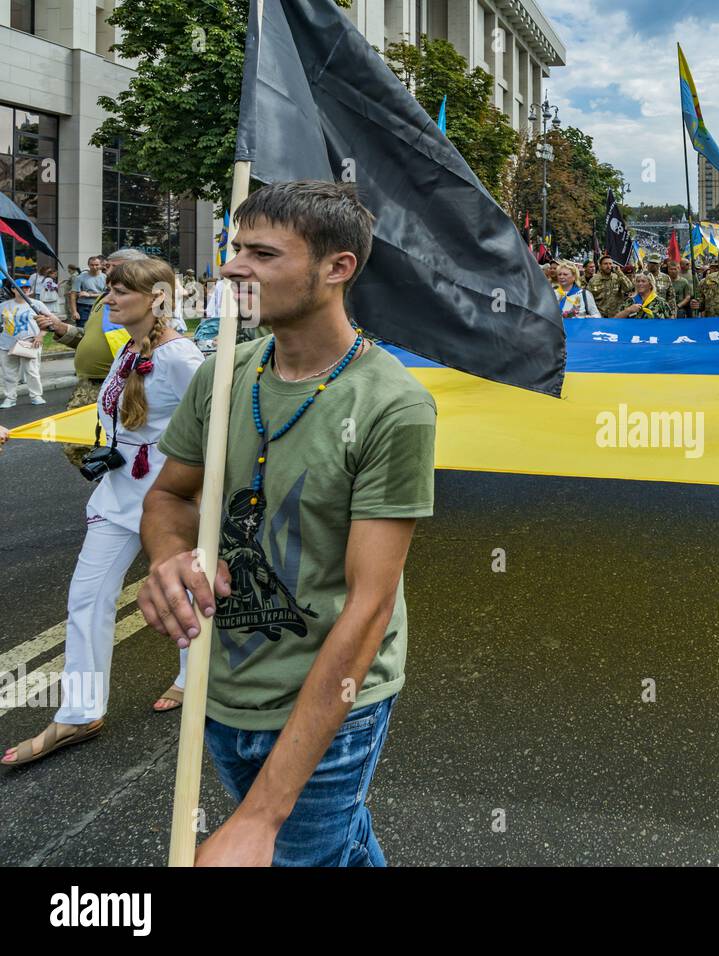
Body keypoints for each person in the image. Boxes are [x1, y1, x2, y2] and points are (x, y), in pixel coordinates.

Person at [137, 180, 437, 866]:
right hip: (222, 688)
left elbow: (369, 606)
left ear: (337, 269)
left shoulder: (394, 406)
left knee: (298, 853)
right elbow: (169, 500)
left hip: (331, 705)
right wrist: (167, 560)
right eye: (235, 248)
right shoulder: (223, 374)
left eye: (263, 254)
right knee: (332, 849)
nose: (234, 267)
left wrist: (263, 816)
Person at [2, 258, 203, 768]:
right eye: (107, 290)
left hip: (170, 500)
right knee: (87, 598)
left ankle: (193, 678)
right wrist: (19, 430)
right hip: (116, 496)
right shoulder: (125, 347)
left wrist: (196, 494)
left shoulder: (180, 356)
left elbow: (212, 429)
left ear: (156, 298)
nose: (107, 299)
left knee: (182, 593)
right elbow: (102, 414)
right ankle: (79, 711)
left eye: (118, 292)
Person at [36, 248, 155, 469]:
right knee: (82, 445)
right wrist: (62, 329)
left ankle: (121, 486)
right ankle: (111, 486)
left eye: (110, 266)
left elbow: (148, 341)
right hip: (91, 382)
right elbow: (88, 337)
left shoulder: (143, 303)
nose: (103, 269)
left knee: (103, 445)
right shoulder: (104, 298)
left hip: (117, 383)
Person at [0, 280, 45, 407]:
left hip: (30, 343)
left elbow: (49, 321)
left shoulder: (37, 304)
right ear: (14, 289)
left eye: (27, 288)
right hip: (6, 343)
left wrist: (40, 335)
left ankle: (36, 396)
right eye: (21, 288)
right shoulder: (4, 306)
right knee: (9, 373)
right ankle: (10, 398)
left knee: (32, 371)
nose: (25, 290)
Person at [73, 256, 108, 327]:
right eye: (92, 265)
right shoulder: (80, 277)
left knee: (97, 329)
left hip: (99, 306)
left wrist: (89, 295)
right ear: (88, 265)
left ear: (101, 265)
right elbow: (73, 295)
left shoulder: (105, 278)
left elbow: (107, 294)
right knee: (82, 329)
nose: (94, 267)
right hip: (83, 307)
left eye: (96, 265)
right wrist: (74, 311)